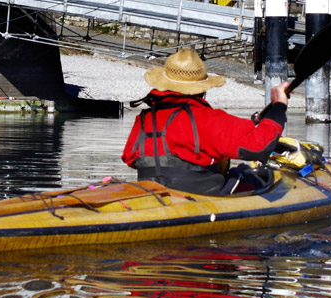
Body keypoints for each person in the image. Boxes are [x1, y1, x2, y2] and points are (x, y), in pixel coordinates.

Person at [122, 48, 290, 195]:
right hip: (200, 196)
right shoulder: (207, 118)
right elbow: (258, 147)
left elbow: (129, 158)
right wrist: (279, 107)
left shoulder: (144, 118)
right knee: (248, 175)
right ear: (202, 90)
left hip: (150, 192)